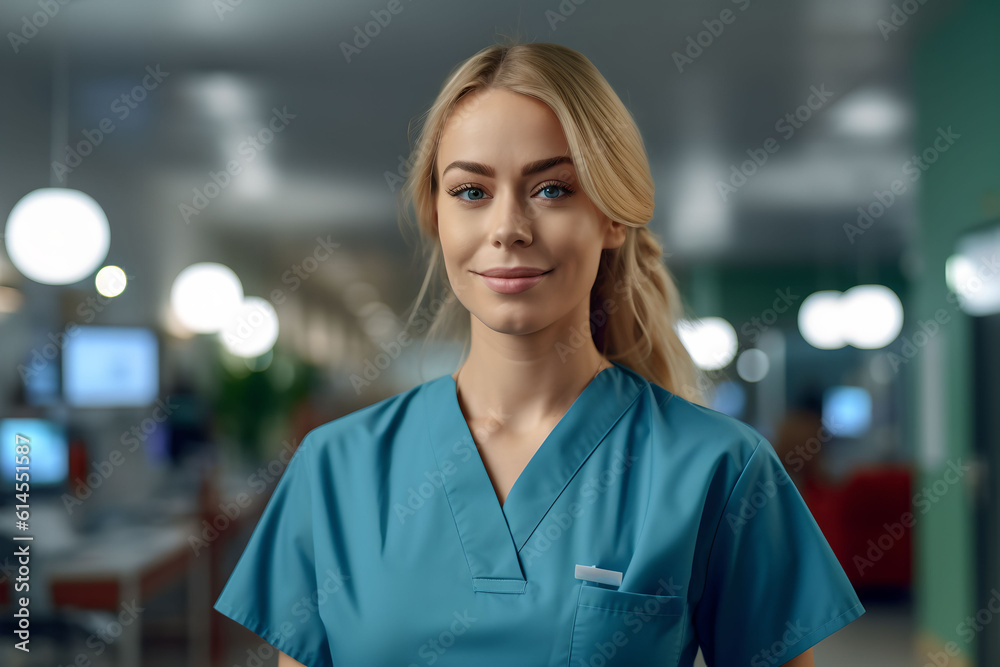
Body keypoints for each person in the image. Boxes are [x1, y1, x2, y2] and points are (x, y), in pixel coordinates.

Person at [213, 40, 864, 667]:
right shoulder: (336, 470)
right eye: (472, 192)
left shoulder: (717, 467)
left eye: (552, 188)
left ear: (613, 216)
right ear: (436, 217)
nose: (508, 228)